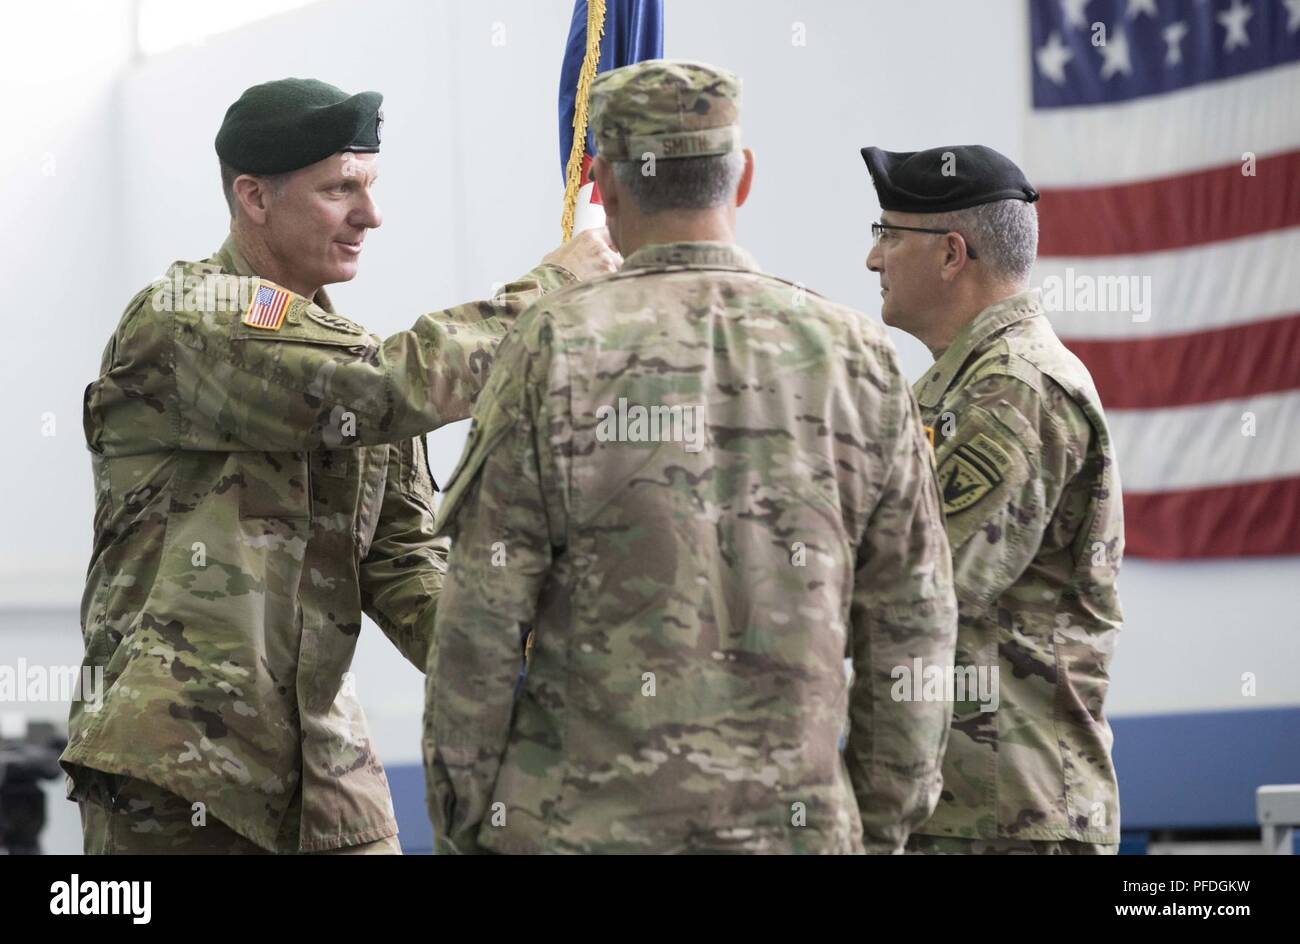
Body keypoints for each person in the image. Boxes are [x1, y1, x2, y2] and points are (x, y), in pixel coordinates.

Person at [63, 77, 620, 854]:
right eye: (340, 189)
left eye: (371, 186)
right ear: (255, 198)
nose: (370, 214)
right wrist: (555, 288)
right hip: (184, 772)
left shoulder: (346, 350)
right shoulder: (188, 318)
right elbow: (387, 387)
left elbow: (401, 558)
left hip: (330, 779)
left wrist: (512, 662)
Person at [422, 60, 958, 855]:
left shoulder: (549, 347)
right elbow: (914, 624)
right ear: (742, 178)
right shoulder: (857, 358)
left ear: (600, 184)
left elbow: (481, 624)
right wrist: (877, 826)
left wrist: (467, 823)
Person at [861, 144, 1123, 854]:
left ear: (951, 254)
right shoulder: (956, 386)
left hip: (1011, 816)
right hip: (962, 807)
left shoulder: (1013, 388)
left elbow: (921, 579)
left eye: (887, 233)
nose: (873, 259)